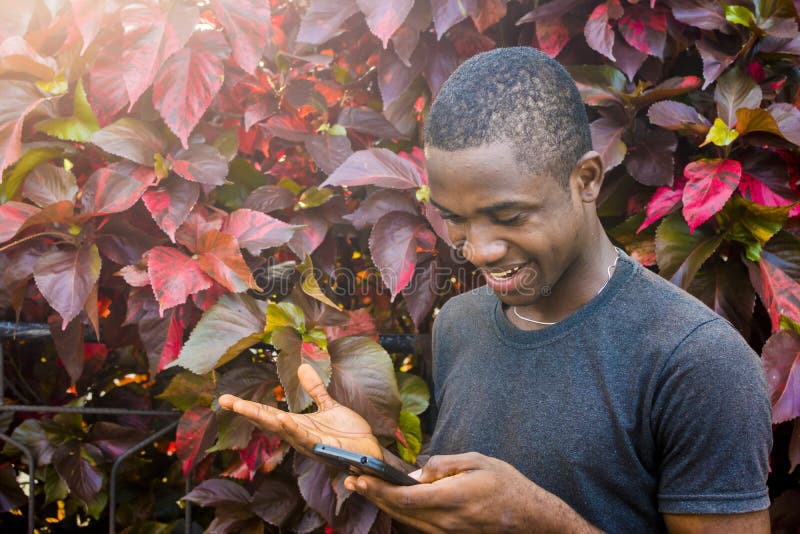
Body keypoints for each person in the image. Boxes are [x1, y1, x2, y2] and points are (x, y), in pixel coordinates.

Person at [219, 47, 772, 533]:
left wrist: (540, 522)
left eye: (507, 215)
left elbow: (517, 514)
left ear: (586, 180)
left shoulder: (698, 363)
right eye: (453, 218)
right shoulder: (460, 321)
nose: (476, 250)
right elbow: (472, 508)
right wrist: (378, 463)